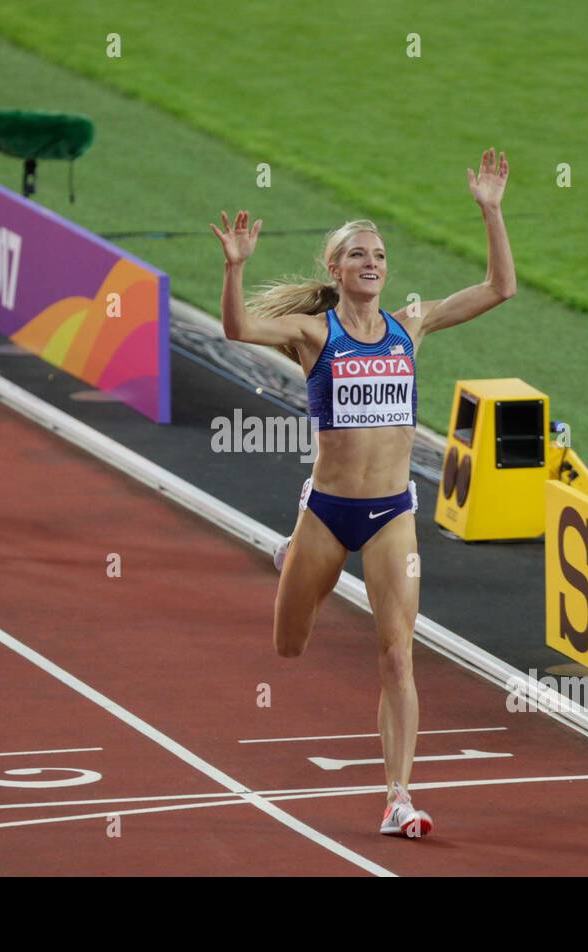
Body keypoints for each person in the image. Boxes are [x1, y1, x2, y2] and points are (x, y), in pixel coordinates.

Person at [211, 148, 515, 836]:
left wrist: (491, 212)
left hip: (390, 515)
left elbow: (500, 288)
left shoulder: (414, 325)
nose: (373, 262)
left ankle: (398, 794)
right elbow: (235, 329)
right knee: (289, 644)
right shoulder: (315, 333)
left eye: (379, 254)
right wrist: (235, 269)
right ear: (336, 270)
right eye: (359, 255)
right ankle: (290, 549)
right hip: (325, 511)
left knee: (397, 651)